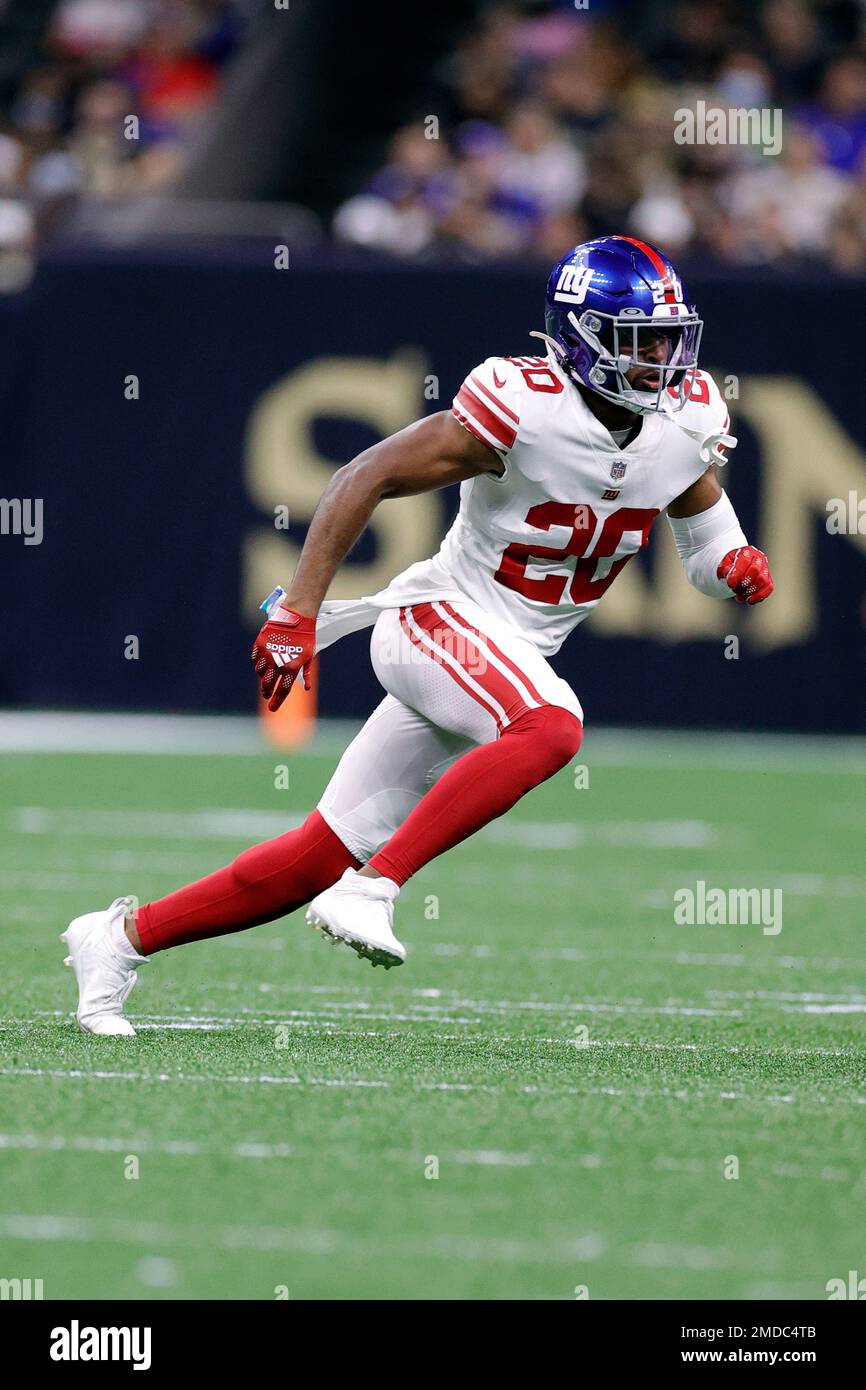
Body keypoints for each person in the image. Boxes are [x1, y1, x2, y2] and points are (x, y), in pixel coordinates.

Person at [62, 235, 774, 1036]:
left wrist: (736, 564)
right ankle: (376, 886)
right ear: (580, 336)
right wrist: (296, 612)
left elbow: (706, 544)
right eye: (637, 339)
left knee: (311, 860)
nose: (659, 358)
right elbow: (361, 476)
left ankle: (118, 939)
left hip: (505, 654)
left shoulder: (685, 423)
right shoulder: (524, 402)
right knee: (551, 728)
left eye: (668, 338)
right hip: (439, 620)